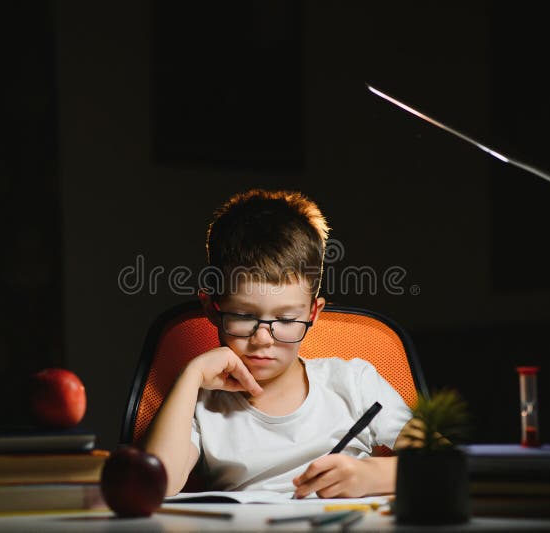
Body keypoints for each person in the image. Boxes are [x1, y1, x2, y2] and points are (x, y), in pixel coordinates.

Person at [144, 189, 414, 498]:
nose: (262, 340)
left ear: (313, 313)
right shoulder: (202, 405)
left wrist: (377, 476)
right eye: (244, 316)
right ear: (212, 309)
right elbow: (154, 486)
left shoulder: (354, 383)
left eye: (286, 320)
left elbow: (446, 465)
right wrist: (191, 376)